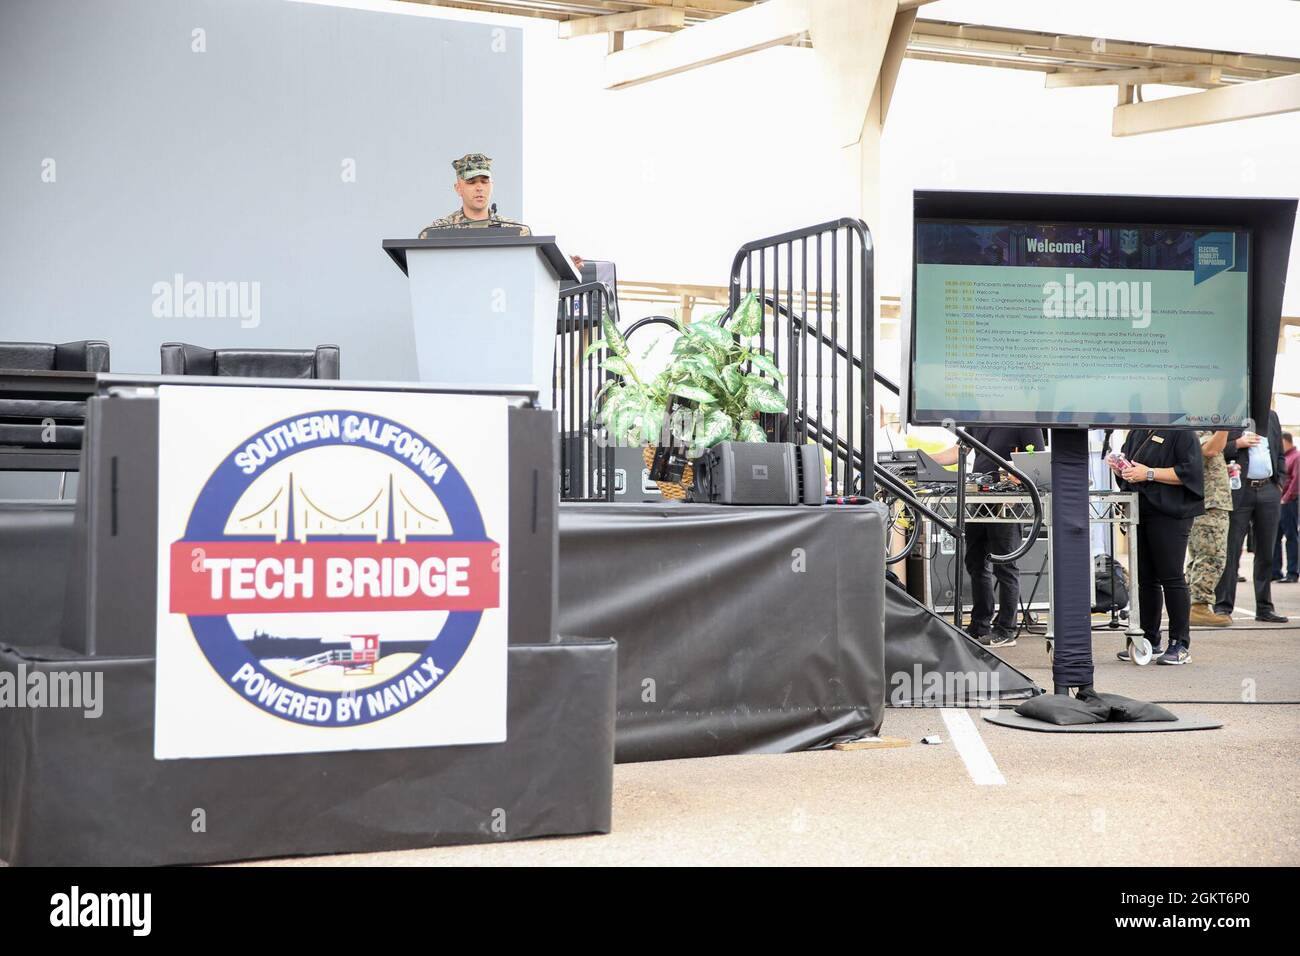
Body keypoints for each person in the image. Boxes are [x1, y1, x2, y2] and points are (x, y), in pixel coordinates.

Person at [931, 426, 1046, 647]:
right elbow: (958, 452)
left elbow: (1035, 460)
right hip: (979, 496)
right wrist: (922, 458)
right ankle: (979, 623)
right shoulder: (978, 419)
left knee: (1005, 565)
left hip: (1007, 500)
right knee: (975, 562)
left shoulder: (1024, 420)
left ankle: (1006, 629)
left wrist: (1015, 482)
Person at [1111, 428, 1204, 665]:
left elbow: (1189, 472)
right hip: (1141, 510)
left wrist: (1149, 473)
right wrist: (1122, 469)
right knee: (1145, 580)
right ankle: (1149, 639)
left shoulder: (1181, 433)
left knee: (1171, 577)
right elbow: (1133, 470)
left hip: (1171, 513)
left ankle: (1180, 643)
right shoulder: (1136, 433)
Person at [1215, 410, 1289, 623]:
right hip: (1239, 489)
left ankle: (1264, 608)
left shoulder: (1271, 416)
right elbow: (1212, 449)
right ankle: (1223, 607)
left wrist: (1279, 483)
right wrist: (1237, 444)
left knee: (1266, 551)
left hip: (1268, 489)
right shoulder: (1229, 415)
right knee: (1232, 549)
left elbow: (1279, 453)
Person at [418, 153, 533, 237]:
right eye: (471, 182)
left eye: (484, 182)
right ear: (458, 188)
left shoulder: (516, 232)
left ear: (492, 185)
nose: (479, 188)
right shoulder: (438, 231)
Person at [1186, 429, 1233, 627]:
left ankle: (1193, 604)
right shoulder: (1199, 430)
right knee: (1211, 555)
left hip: (1209, 503)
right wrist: (1226, 424)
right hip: (1210, 505)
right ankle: (1199, 606)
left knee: (1200, 556)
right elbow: (1211, 450)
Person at [1274, 431, 1298, 583]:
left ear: (1286, 441)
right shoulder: (1284, 457)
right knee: (1275, 537)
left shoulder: (1296, 457)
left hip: (1289, 502)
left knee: (1291, 537)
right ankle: (1275, 571)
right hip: (1278, 501)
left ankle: (1292, 572)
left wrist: (1286, 498)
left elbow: (1296, 481)